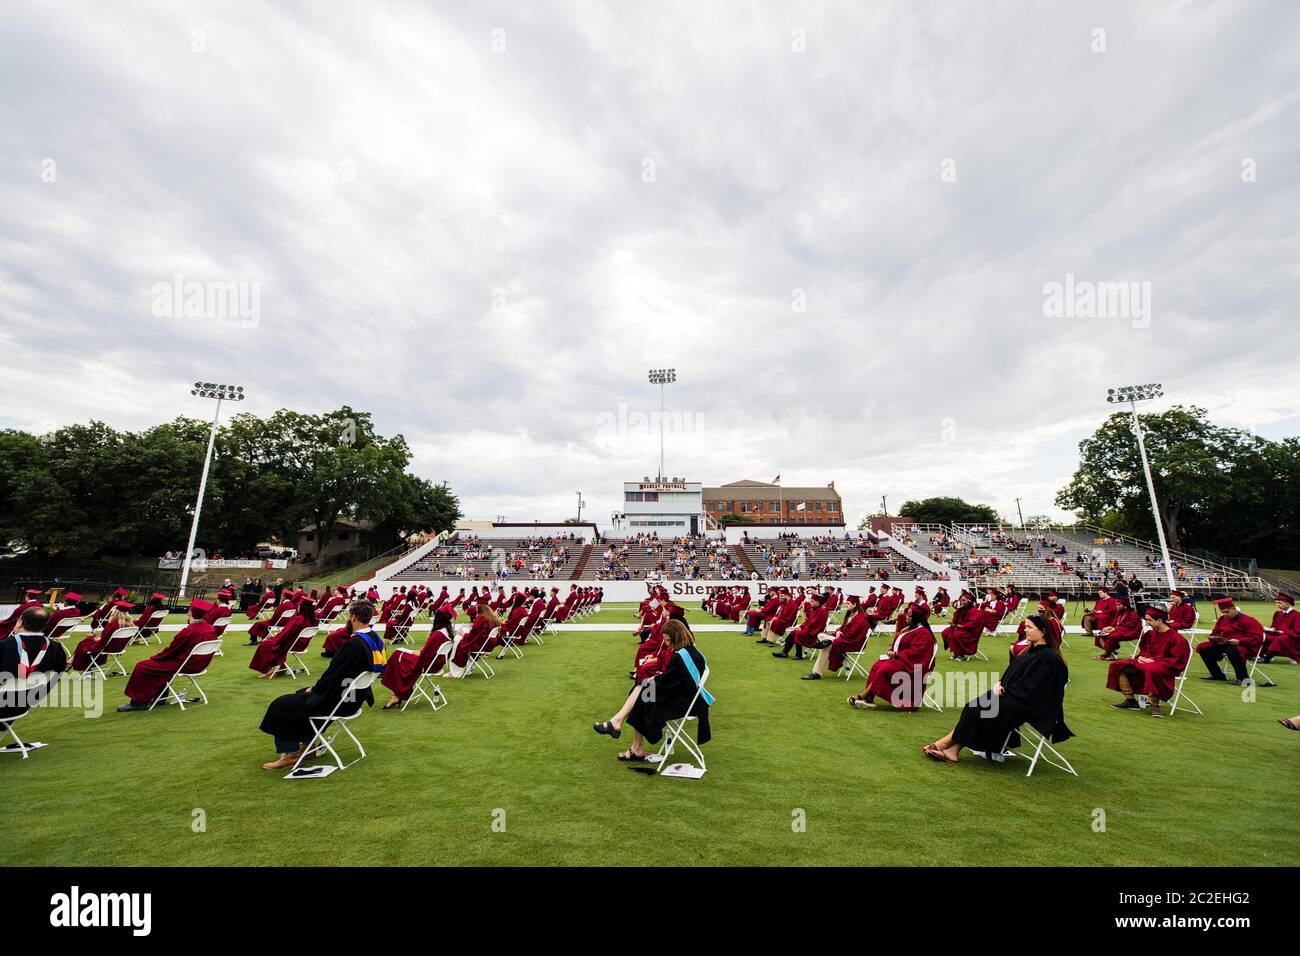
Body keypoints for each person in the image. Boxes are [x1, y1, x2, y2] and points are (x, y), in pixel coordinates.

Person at [922, 614, 1072, 764]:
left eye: (1029, 627)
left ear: (1043, 631)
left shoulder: (1048, 657)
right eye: (1025, 626)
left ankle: (945, 745)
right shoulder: (1032, 651)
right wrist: (999, 684)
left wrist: (1004, 690)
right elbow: (1012, 674)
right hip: (1012, 697)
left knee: (980, 710)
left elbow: (1033, 687)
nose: (1025, 630)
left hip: (1028, 705)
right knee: (972, 706)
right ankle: (951, 750)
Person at [258, 601, 386, 770]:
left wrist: (316, 689)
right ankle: (308, 746)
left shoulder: (353, 645)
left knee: (281, 704)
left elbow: (334, 675)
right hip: (355, 698)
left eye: (349, 616)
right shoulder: (376, 640)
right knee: (300, 695)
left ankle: (291, 754)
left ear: (353, 617)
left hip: (340, 702)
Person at [592, 619, 712, 762]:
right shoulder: (692, 651)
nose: (666, 644)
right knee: (644, 691)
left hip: (685, 704)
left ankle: (629, 739)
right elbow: (675, 680)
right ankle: (624, 732)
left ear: (676, 637)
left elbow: (669, 683)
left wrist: (654, 680)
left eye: (667, 640)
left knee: (644, 695)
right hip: (688, 697)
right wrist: (655, 680)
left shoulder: (680, 657)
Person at [116, 600, 219, 712]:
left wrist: (157, 657)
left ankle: (138, 702)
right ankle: (159, 698)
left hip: (185, 665)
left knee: (143, 666)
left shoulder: (189, 631)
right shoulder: (210, 629)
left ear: (190, 613)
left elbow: (171, 651)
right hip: (199, 665)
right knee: (158, 667)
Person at [846, 605, 936, 711]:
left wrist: (896, 654)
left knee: (885, 669)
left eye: (910, 616)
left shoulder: (924, 633)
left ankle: (864, 696)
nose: (906, 617)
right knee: (878, 665)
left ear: (917, 618)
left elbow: (917, 653)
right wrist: (892, 652)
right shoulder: (910, 628)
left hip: (913, 667)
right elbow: (900, 644)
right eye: (907, 614)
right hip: (902, 660)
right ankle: (869, 697)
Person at [1106, 606, 1190, 717]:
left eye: (1150, 620)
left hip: (1166, 667)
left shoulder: (1177, 639)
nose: (1147, 622)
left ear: (1160, 620)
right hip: (1147, 663)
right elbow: (1144, 650)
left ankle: (1155, 705)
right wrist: (1141, 657)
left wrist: (1153, 661)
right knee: (1118, 666)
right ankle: (1130, 700)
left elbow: (1177, 660)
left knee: (1151, 670)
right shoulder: (1150, 634)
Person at [0, 607, 68, 722]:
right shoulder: (56, 650)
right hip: (23, 705)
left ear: (20, 622)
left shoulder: (4, 647)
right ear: (45, 625)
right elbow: (56, 677)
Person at [381, 606, 455, 709]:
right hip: (436, 664)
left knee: (397, 655)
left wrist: (418, 653)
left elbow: (424, 656)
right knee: (398, 655)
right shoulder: (448, 631)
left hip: (427, 664)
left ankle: (396, 692)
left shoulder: (438, 634)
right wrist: (420, 652)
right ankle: (395, 691)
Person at [1196, 597, 1264, 684]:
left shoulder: (1249, 621)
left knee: (1231, 649)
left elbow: (1256, 638)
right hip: (1224, 643)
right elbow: (1215, 632)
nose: (1225, 614)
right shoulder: (1222, 619)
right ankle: (1217, 674)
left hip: (1243, 645)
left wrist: (1240, 641)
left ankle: (1243, 678)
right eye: (1223, 612)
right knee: (1203, 647)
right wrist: (1213, 638)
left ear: (1234, 608)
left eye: (1227, 612)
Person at [803, 595, 870, 679]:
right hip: (844, 639)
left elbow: (853, 634)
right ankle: (827, 642)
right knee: (820, 635)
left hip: (854, 643)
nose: (846, 605)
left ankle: (816, 673)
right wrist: (838, 631)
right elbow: (842, 627)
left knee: (827, 647)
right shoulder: (851, 615)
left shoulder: (861, 618)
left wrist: (841, 634)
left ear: (854, 605)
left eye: (848, 603)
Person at [249, 598, 318, 678]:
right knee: (269, 642)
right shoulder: (313, 620)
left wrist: (275, 638)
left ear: (302, 608)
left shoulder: (298, 619)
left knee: (265, 644)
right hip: (300, 645)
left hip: (290, 644)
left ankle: (270, 669)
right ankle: (281, 667)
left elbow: (285, 634)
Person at [70, 600, 134, 672]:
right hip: (119, 648)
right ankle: (70, 661)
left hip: (107, 647)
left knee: (84, 643)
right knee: (89, 640)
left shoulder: (113, 624)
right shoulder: (131, 625)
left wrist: (96, 639)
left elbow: (103, 640)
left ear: (116, 612)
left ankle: (77, 664)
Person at [1093, 595, 1141, 660]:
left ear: (1125, 606)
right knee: (1100, 634)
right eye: (1116, 605)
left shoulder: (1133, 614)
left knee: (1112, 636)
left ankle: (1107, 654)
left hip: (1131, 632)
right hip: (1121, 630)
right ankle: (1111, 652)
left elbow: (1128, 626)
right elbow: (1115, 622)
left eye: (1119, 605)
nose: (1117, 606)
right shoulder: (1119, 612)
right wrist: (1109, 627)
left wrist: (1114, 629)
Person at [1260, 593, 1300, 663]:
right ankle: (1259, 655)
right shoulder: (1278, 614)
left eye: (1280, 603)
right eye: (1276, 603)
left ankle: (1267, 657)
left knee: (1279, 639)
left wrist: (1284, 632)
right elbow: (1274, 626)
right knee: (1264, 635)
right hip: (1277, 633)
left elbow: (1297, 631)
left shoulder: (1297, 615)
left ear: (1288, 603)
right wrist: (1271, 629)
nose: (1277, 604)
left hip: (1291, 637)